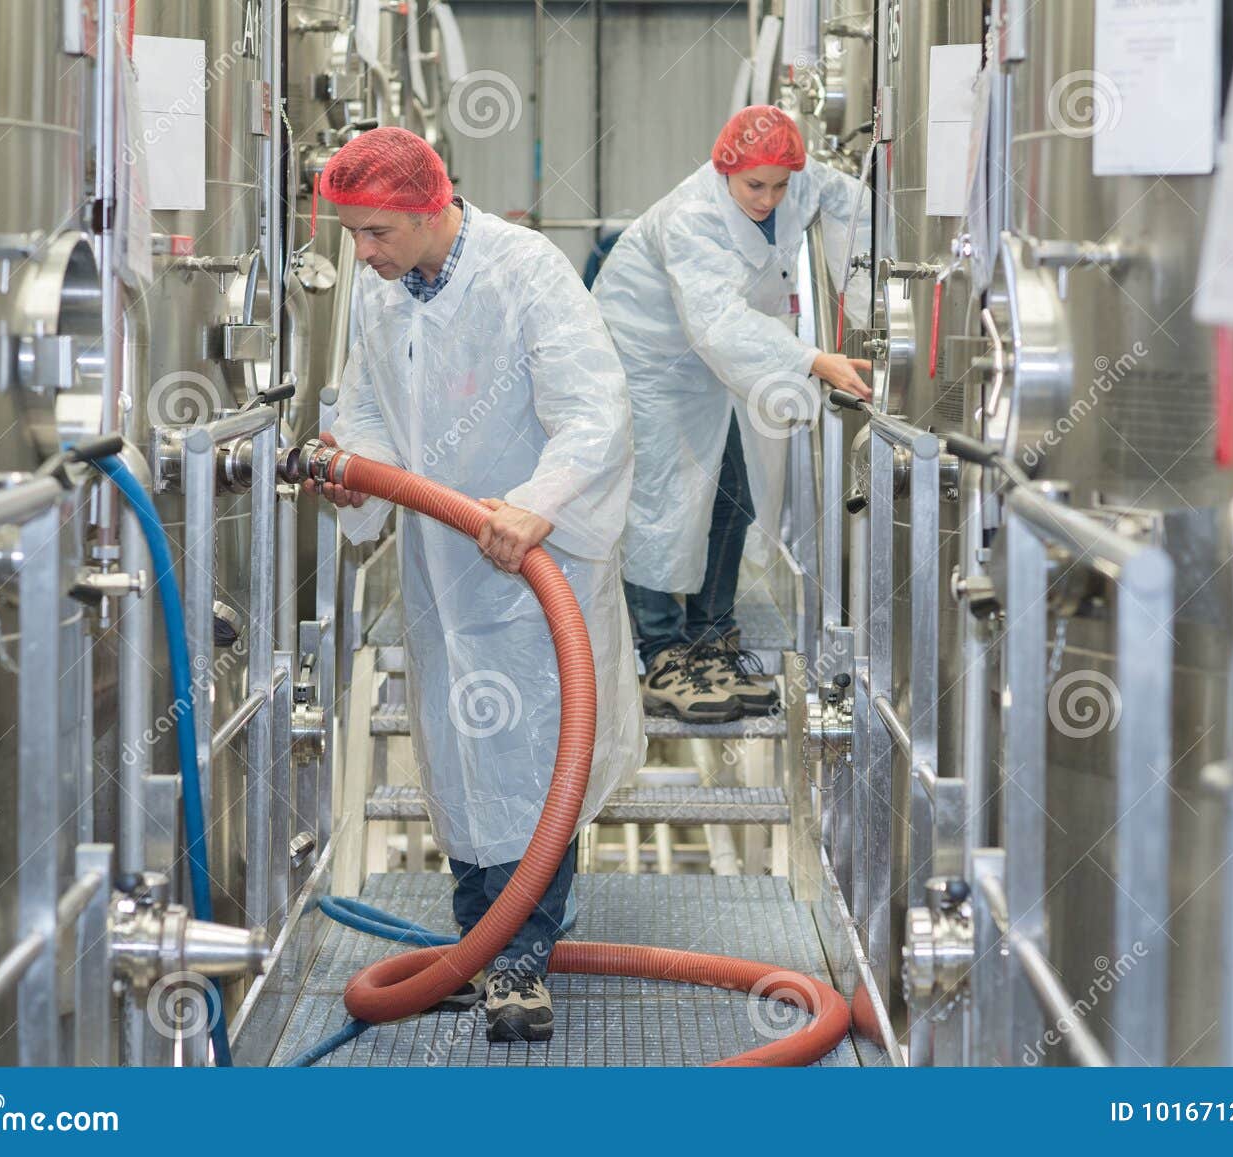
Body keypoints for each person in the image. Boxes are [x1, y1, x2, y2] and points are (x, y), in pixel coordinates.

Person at [307, 127, 645, 1043]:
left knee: (540, 759)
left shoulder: (524, 272)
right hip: (441, 563)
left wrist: (537, 505)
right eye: (350, 234)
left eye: (375, 232)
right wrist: (361, 466)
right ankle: (477, 948)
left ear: (426, 210)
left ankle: (520, 963)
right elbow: (367, 402)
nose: (361, 252)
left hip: (536, 566)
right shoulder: (382, 293)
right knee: (458, 755)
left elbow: (595, 406)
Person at [592, 106, 873, 722]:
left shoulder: (799, 184)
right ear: (725, 170)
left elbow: (851, 200)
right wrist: (812, 359)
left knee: (732, 496)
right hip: (645, 359)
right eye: (755, 186)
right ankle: (663, 655)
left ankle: (710, 642)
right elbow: (715, 321)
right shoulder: (691, 218)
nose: (769, 198)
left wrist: (874, 308)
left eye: (780, 184)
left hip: (704, 362)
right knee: (659, 500)